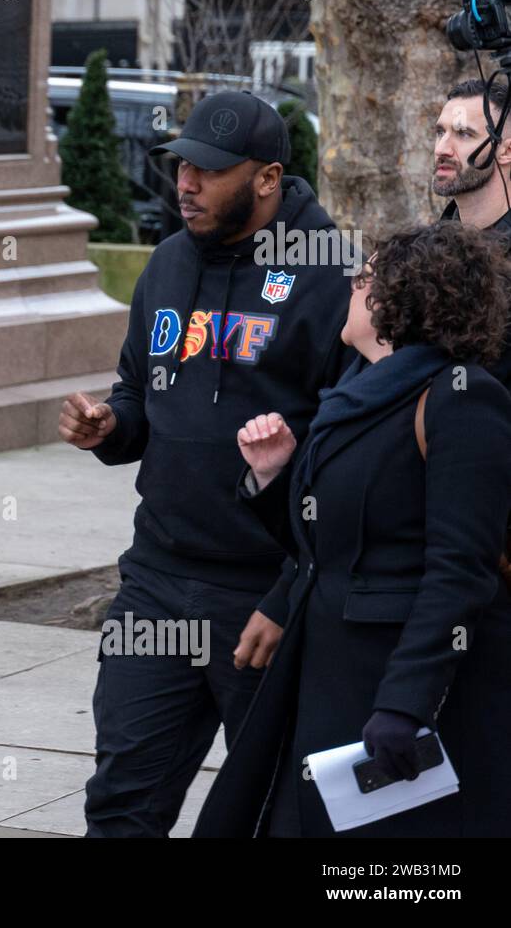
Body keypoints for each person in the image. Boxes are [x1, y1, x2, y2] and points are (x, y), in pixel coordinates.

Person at [58, 90, 354, 837]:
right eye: (181, 166)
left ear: (267, 178)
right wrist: (111, 424)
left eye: (208, 171)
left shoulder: (329, 274)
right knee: (122, 796)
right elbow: (139, 389)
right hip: (156, 579)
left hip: (264, 591)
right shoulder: (165, 265)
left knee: (269, 809)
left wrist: (290, 593)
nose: (185, 183)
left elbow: (348, 450)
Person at [194, 221, 511, 837]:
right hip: (326, 672)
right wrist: (275, 477)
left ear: (404, 301)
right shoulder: (356, 392)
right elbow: (325, 545)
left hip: (395, 686)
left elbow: (459, 571)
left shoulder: (462, 399)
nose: (352, 286)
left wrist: (404, 703)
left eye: (365, 278)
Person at [433, 77, 511, 386]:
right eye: (440, 132)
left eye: (463, 134)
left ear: (506, 151)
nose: (442, 149)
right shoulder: (429, 250)